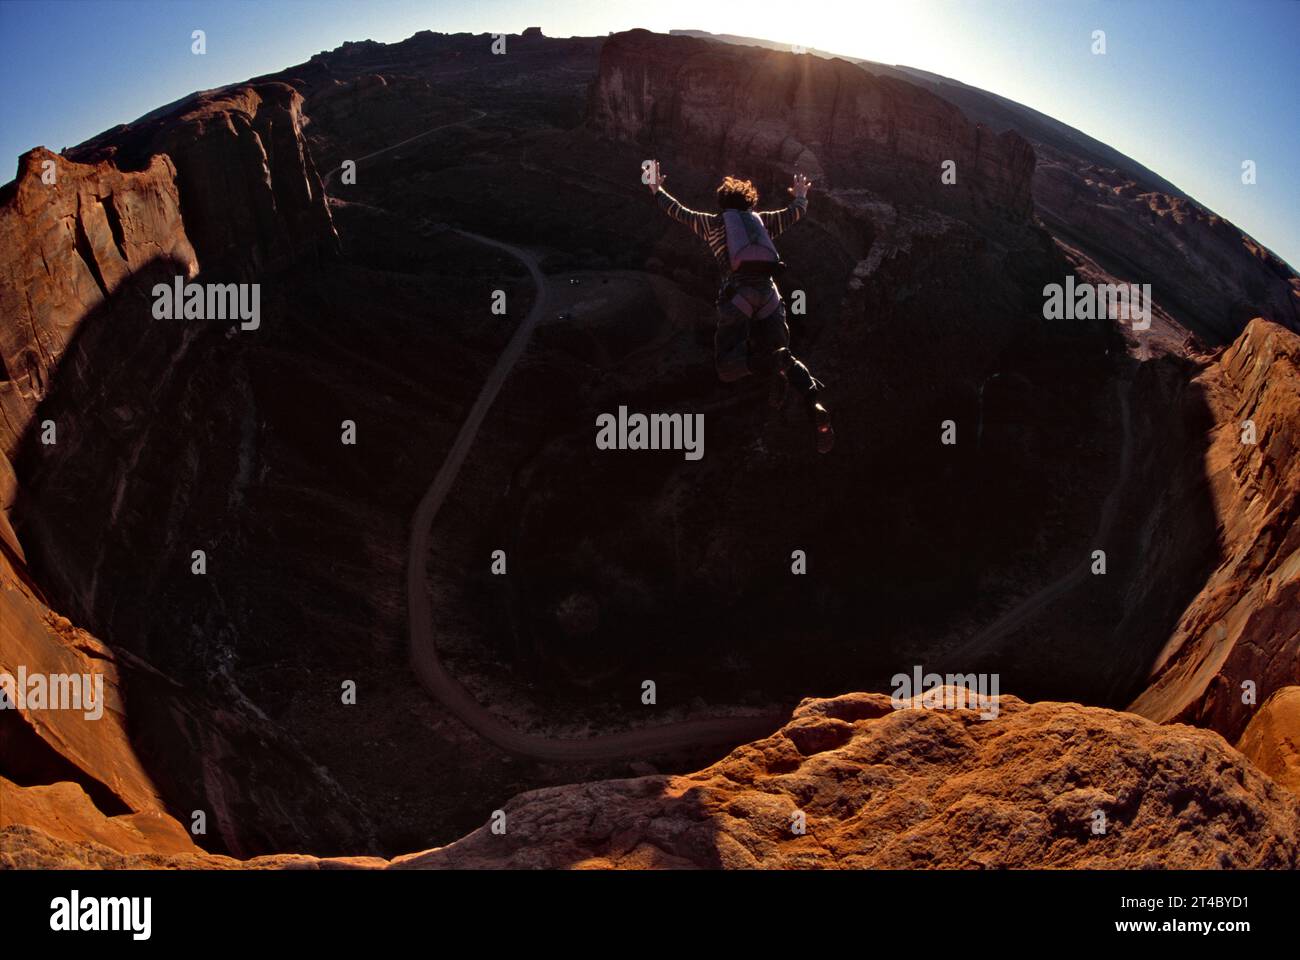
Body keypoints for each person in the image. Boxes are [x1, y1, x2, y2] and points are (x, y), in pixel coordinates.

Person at [645, 160, 833, 453]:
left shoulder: (713, 223)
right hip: (770, 296)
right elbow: (795, 213)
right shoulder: (763, 222)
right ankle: (814, 402)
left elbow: (678, 211)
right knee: (785, 354)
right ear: (749, 203)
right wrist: (800, 194)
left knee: (728, 368)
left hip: (737, 298)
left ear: (722, 203)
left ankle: (772, 365)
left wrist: (656, 188)